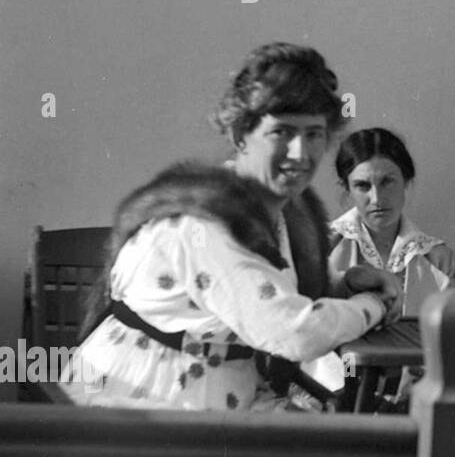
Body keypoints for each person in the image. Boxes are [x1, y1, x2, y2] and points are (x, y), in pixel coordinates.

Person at [66, 43, 398, 411]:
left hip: (224, 395)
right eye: (282, 133)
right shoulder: (204, 222)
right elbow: (293, 332)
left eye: (314, 134)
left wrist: (344, 287)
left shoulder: (283, 212)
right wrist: (373, 305)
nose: (300, 154)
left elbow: (259, 295)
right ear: (241, 134)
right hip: (143, 404)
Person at [329, 127, 455, 316]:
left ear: (406, 181)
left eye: (387, 182)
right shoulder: (323, 247)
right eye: (362, 186)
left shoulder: (438, 259)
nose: (377, 199)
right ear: (347, 189)